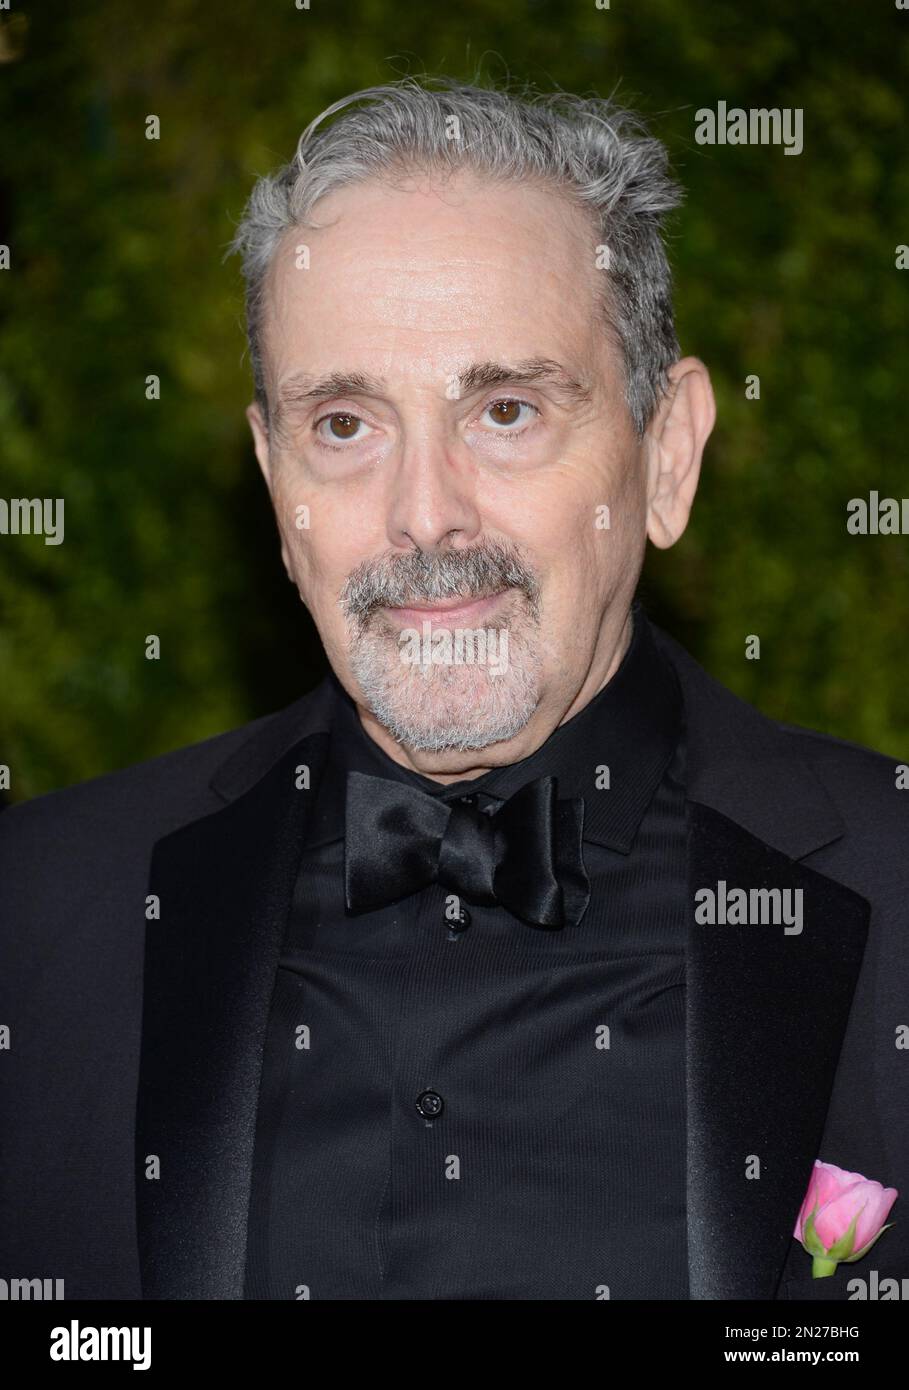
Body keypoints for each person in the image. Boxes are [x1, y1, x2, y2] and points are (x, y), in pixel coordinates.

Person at [1, 78, 905, 1302]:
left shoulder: (890, 892)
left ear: (668, 457)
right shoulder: (41, 912)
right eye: (345, 425)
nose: (424, 515)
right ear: (275, 483)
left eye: (508, 409)